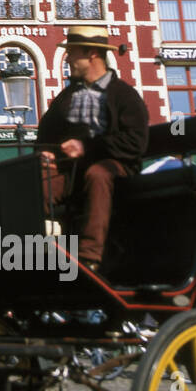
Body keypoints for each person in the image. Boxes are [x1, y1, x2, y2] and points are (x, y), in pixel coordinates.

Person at [36, 25, 150, 270]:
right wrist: (44, 152)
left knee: (98, 174)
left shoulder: (124, 95)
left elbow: (135, 142)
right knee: (37, 182)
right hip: (70, 169)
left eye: (73, 53)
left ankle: (89, 257)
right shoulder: (66, 96)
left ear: (92, 55)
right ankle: (29, 250)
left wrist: (87, 147)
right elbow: (46, 132)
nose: (68, 59)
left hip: (114, 165)